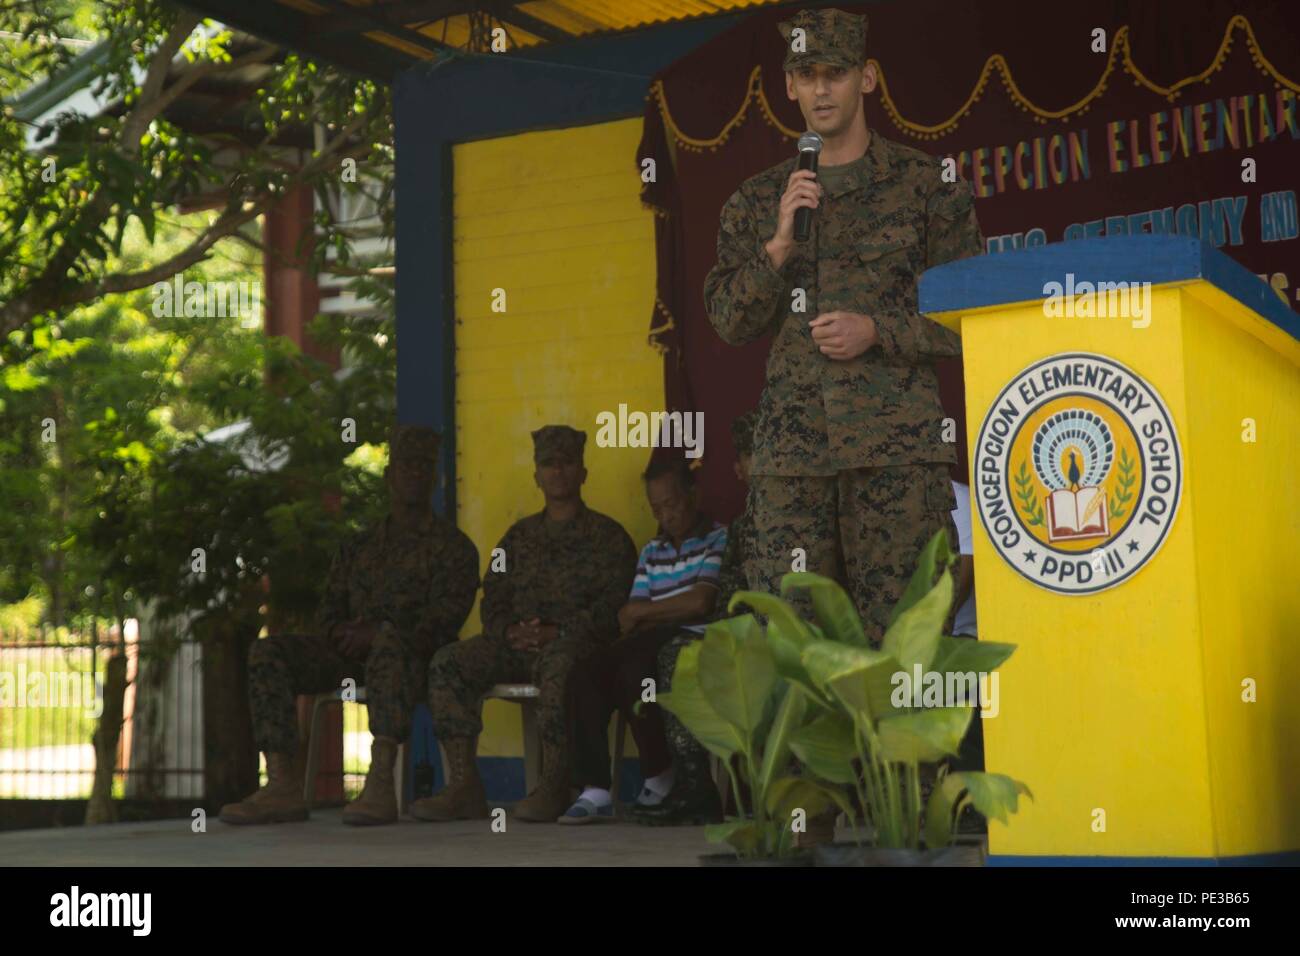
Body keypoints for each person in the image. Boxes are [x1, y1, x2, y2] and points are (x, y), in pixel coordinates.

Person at [702, 7, 984, 643]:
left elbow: (969, 316)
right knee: (795, 654)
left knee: (903, 649)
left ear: (868, 78)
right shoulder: (757, 200)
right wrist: (776, 247)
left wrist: (877, 330)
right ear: (789, 87)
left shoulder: (927, 187)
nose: (821, 89)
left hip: (895, 461)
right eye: (806, 74)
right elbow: (727, 321)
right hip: (792, 465)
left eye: (836, 72)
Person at [219, 424, 480, 827]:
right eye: (405, 466)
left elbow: (444, 622)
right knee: (269, 652)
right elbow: (328, 612)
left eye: (423, 467)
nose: (413, 474)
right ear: (390, 476)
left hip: (416, 660)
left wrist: (380, 632)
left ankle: (380, 783)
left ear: (436, 478)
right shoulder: (359, 546)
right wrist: (344, 634)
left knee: (391, 643)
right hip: (352, 657)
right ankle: (281, 784)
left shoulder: (455, 548)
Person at [411, 425, 638, 824]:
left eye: (567, 463)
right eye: (548, 464)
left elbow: (614, 607)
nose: (558, 472)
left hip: (573, 648)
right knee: (449, 662)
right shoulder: (516, 538)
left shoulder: (609, 537)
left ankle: (555, 784)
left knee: (561, 666)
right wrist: (508, 632)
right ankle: (464, 786)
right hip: (516, 644)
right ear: (536, 475)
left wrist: (560, 632)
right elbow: (493, 594)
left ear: (583, 472)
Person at [559, 457, 727, 823]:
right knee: (585, 672)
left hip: (692, 637)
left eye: (672, 504)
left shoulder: (718, 538)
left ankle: (659, 776)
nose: (665, 515)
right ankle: (596, 789)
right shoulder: (653, 550)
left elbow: (700, 601)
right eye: (656, 508)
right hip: (649, 636)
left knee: (636, 667)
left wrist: (646, 612)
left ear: (693, 495)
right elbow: (627, 614)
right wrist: (647, 612)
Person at [633, 411, 758, 826]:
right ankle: (693, 785)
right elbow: (729, 596)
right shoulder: (743, 528)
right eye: (746, 456)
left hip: (795, 632)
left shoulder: (810, 511)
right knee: (671, 654)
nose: (751, 465)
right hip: (740, 633)